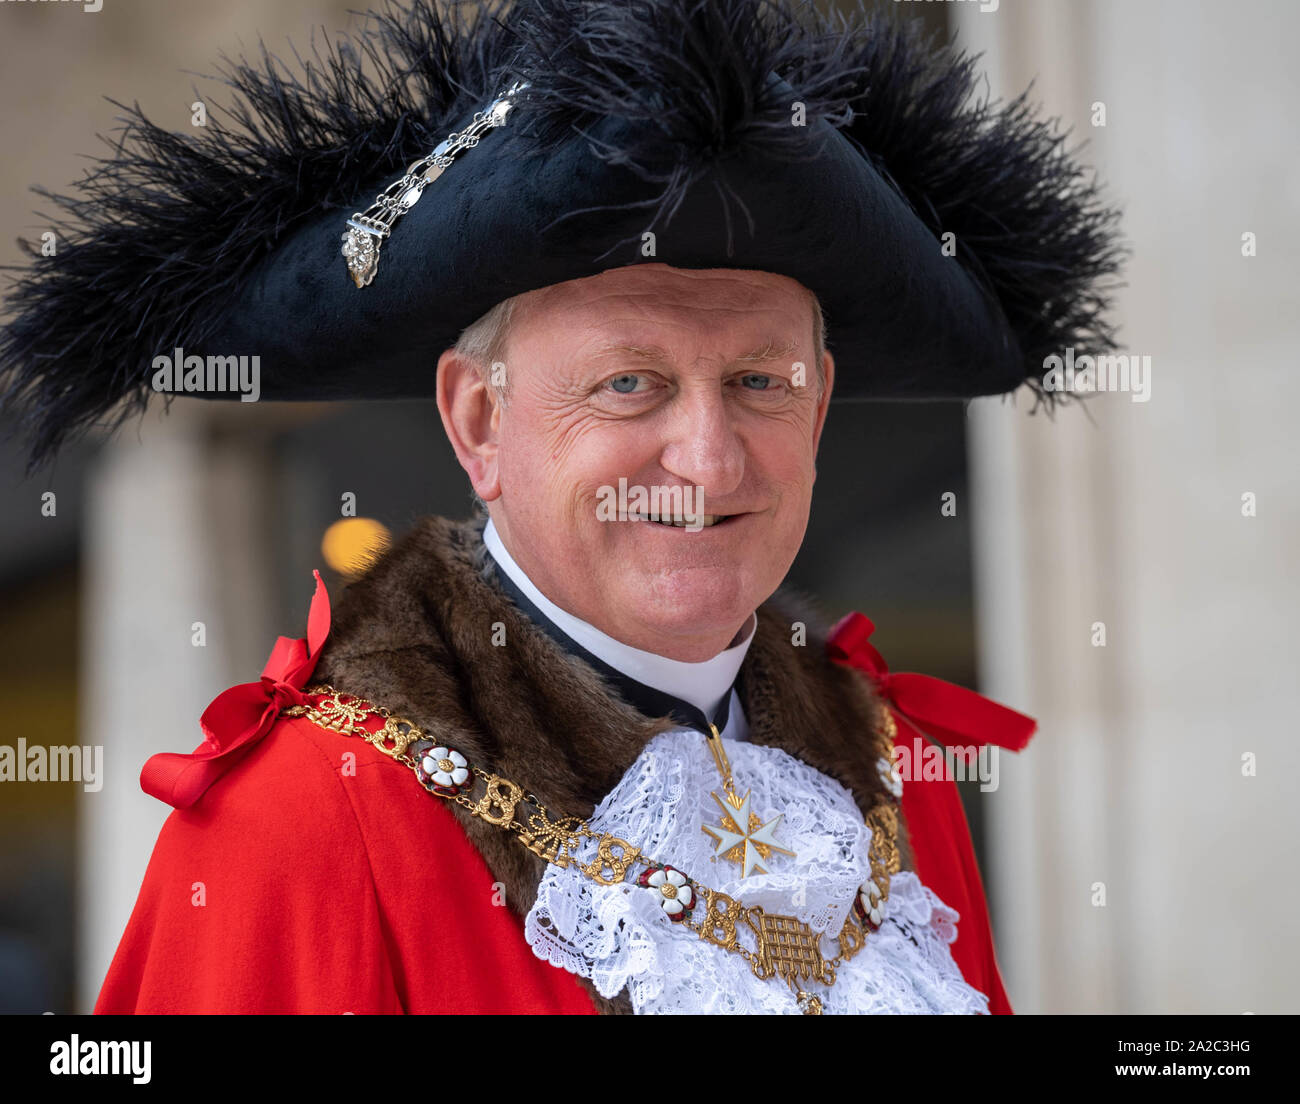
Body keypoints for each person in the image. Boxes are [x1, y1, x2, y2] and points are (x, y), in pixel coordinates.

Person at [0, 0, 1120, 1015]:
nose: (707, 458)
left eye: (758, 383)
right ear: (479, 424)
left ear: (819, 408)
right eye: (628, 383)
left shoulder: (881, 770)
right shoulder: (303, 819)